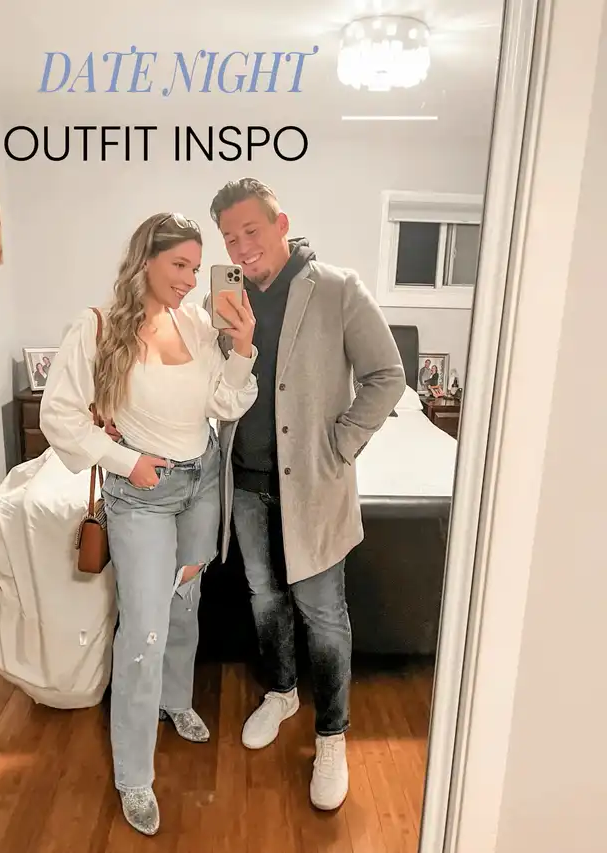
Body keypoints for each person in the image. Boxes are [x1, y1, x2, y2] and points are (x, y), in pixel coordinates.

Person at [39, 212, 258, 836]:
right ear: (146, 260)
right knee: (145, 631)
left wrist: (242, 348)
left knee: (185, 602)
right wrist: (124, 460)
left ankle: (175, 701)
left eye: (196, 267)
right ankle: (134, 774)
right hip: (144, 493)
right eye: (179, 265)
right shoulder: (97, 326)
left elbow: (223, 402)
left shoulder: (195, 323)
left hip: (201, 483)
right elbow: (60, 416)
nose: (190, 279)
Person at [206, 178, 406, 811]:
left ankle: (331, 735)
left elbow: (387, 375)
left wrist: (342, 444)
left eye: (251, 231)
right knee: (264, 597)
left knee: (322, 612)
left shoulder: (338, 288)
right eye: (229, 238)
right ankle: (282, 692)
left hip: (314, 486)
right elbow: (222, 383)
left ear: (281, 224)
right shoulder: (228, 299)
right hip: (245, 483)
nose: (241, 247)